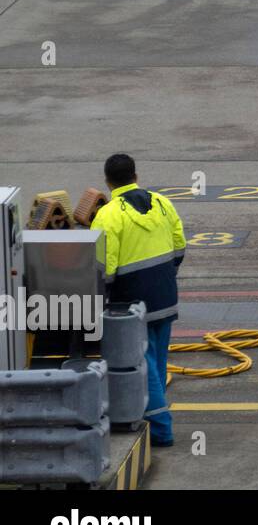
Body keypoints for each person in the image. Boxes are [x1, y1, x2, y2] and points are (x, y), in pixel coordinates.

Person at [91, 153, 186, 447]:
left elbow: (105, 268)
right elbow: (179, 245)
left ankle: (161, 430)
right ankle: (155, 415)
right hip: (165, 296)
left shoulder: (107, 215)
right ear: (136, 175)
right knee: (157, 363)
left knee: (143, 369)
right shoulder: (161, 202)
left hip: (133, 306)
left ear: (107, 181)